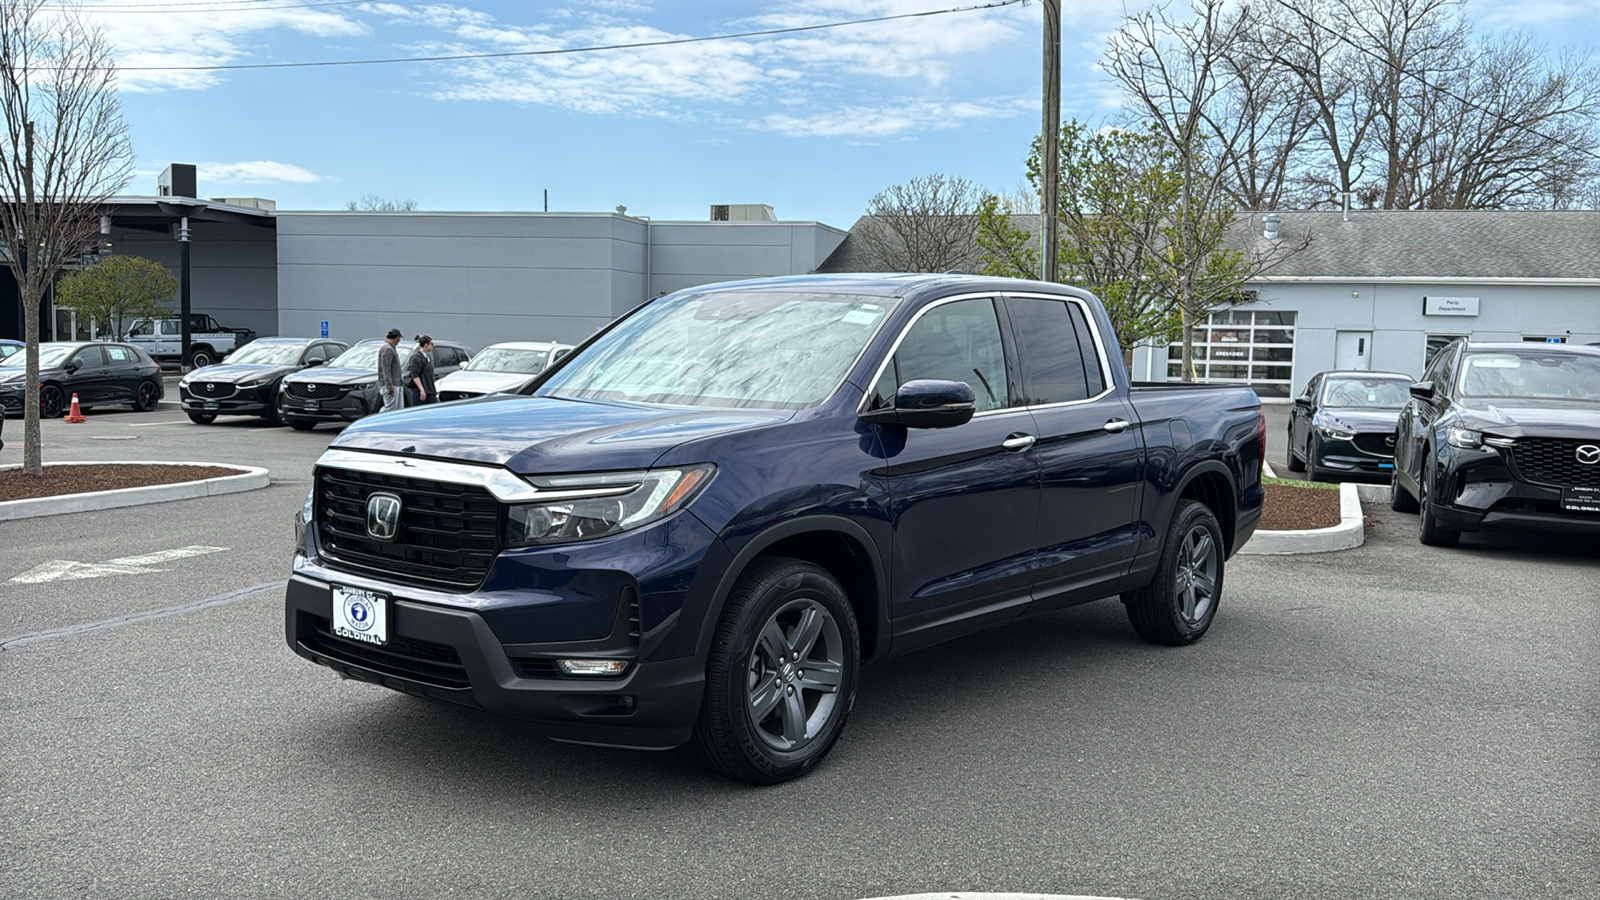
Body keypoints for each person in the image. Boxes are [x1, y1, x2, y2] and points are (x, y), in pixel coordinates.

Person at [404, 334, 438, 406]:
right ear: (426, 345)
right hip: (420, 391)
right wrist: (422, 390)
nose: (432, 346)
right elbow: (414, 375)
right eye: (431, 344)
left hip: (430, 390)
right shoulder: (416, 358)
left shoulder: (427, 357)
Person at [377, 328, 405, 413]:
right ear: (396, 337)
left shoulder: (391, 348)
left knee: (398, 410)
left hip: (396, 383)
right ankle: (378, 420)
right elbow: (386, 369)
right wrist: (389, 386)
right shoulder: (387, 349)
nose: (399, 340)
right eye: (399, 338)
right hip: (391, 385)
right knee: (389, 408)